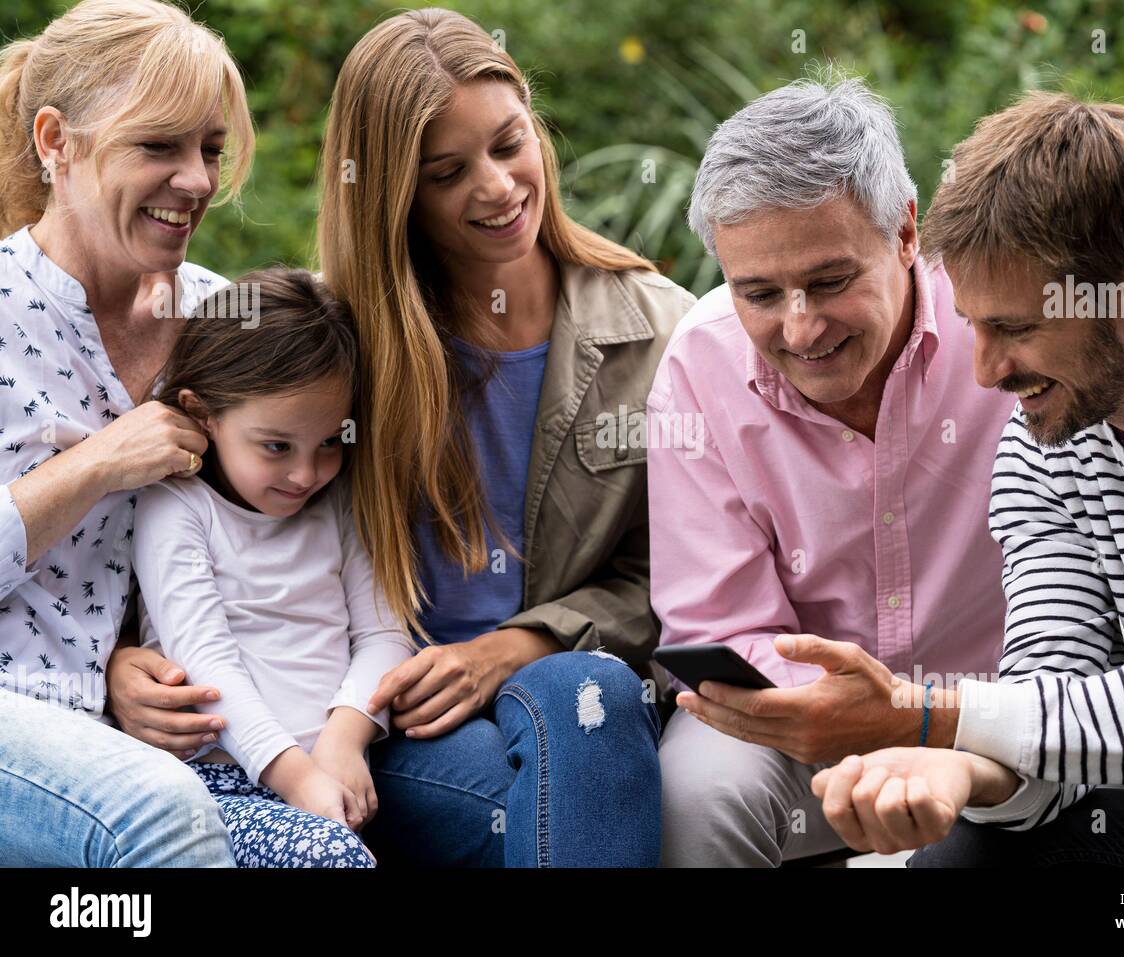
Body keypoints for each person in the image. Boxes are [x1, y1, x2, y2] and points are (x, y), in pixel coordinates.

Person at [112, 8, 693, 867]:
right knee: (569, 796)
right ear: (393, 193)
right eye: (447, 171)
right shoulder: (333, 346)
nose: (497, 187)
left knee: (589, 695)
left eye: (509, 143)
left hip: (573, 687)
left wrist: (516, 644)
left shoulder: (664, 331)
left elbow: (681, 577)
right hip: (383, 723)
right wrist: (129, 660)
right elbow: (206, 504)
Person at [811, 92, 1124, 866]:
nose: (986, 372)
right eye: (975, 325)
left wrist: (926, 712)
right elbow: (1050, 705)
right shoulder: (1046, 444)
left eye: (1017, 328)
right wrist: (955, 773)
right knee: (965, 857)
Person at [650, 75, 1016, 866]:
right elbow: (720, 624)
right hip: (796, 719)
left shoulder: (1000, 317)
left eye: (829, 281)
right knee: (699, 793)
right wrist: (844, 707)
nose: (800, 326)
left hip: (996, 711)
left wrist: (918, 718)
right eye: (758, 292)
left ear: (908, 233)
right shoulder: (698, 363)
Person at [0, 0, 254, 867]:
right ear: (55, 141)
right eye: (159, 147)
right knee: (159, 815)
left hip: (110, 733)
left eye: (210, 150)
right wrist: (100, 463)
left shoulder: (224, 317)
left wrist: (133, 659)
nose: (197, 181)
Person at [132, 269, 413, 867]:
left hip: (341, 772)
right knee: (329, 857)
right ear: (201, 413)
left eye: (330, 443)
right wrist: (299, 780)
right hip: (220, 783)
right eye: (277, 447)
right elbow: (208, 667)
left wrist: (345, 738)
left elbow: (386, 636)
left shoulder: (335, 503)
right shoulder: (177, 507)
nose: (306, 474)